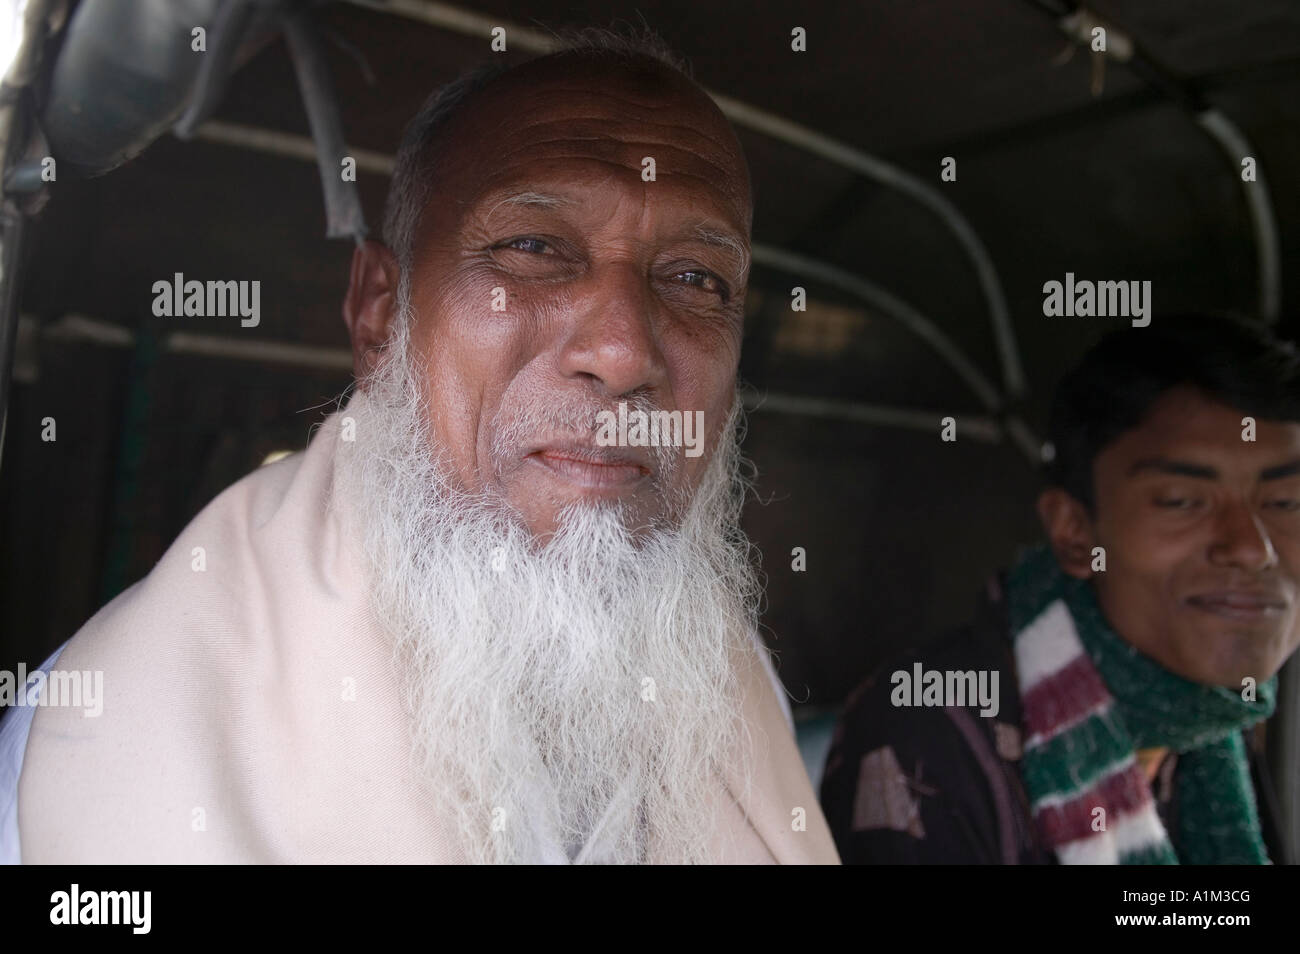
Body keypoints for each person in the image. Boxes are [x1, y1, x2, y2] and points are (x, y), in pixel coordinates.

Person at [1, 28, 839, 864]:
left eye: (696, 278)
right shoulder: (116, 727)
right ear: (378, 313)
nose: (623, 354)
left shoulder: (724, 673)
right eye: (534, 248)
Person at [821, 314, 1299, 864]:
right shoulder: (926, 727)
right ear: (1075, 532)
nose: (1250, 547)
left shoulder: (1215, 716)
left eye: (1287, 503)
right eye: (1181, 500)